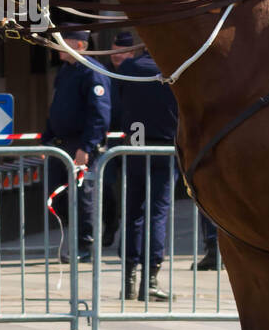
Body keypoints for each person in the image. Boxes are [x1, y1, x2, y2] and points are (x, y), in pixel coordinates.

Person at [111, 36, 179, 301]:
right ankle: (149, 280)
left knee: (133, 213)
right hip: (164, 147)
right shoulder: (173, 69)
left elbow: (117, 108)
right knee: (157, 213)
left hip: (134, 146)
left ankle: (128, 280)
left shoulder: (128, 68)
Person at [43, 28, 111, 260]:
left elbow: (99, 114)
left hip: (79, 145)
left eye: (63, 41)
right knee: (59, 198)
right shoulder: (66, 71)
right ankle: (71, 241)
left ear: (80, 46)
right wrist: (46, 139)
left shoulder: (92, 72)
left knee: (83, 198)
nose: (57, 46)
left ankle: (85, 245)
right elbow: (56, 108)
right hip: (61, 144)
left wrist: (87, 147)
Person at [100, 29, 137, 247]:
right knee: (109, 187)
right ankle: (110, 225)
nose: (117, 56)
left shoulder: (137, 72)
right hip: (110, 138)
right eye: (114, 51)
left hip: (135, 135)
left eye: (122, 52)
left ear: (131, 54)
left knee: (133, 186)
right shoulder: (104, 73)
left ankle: (130, 232)